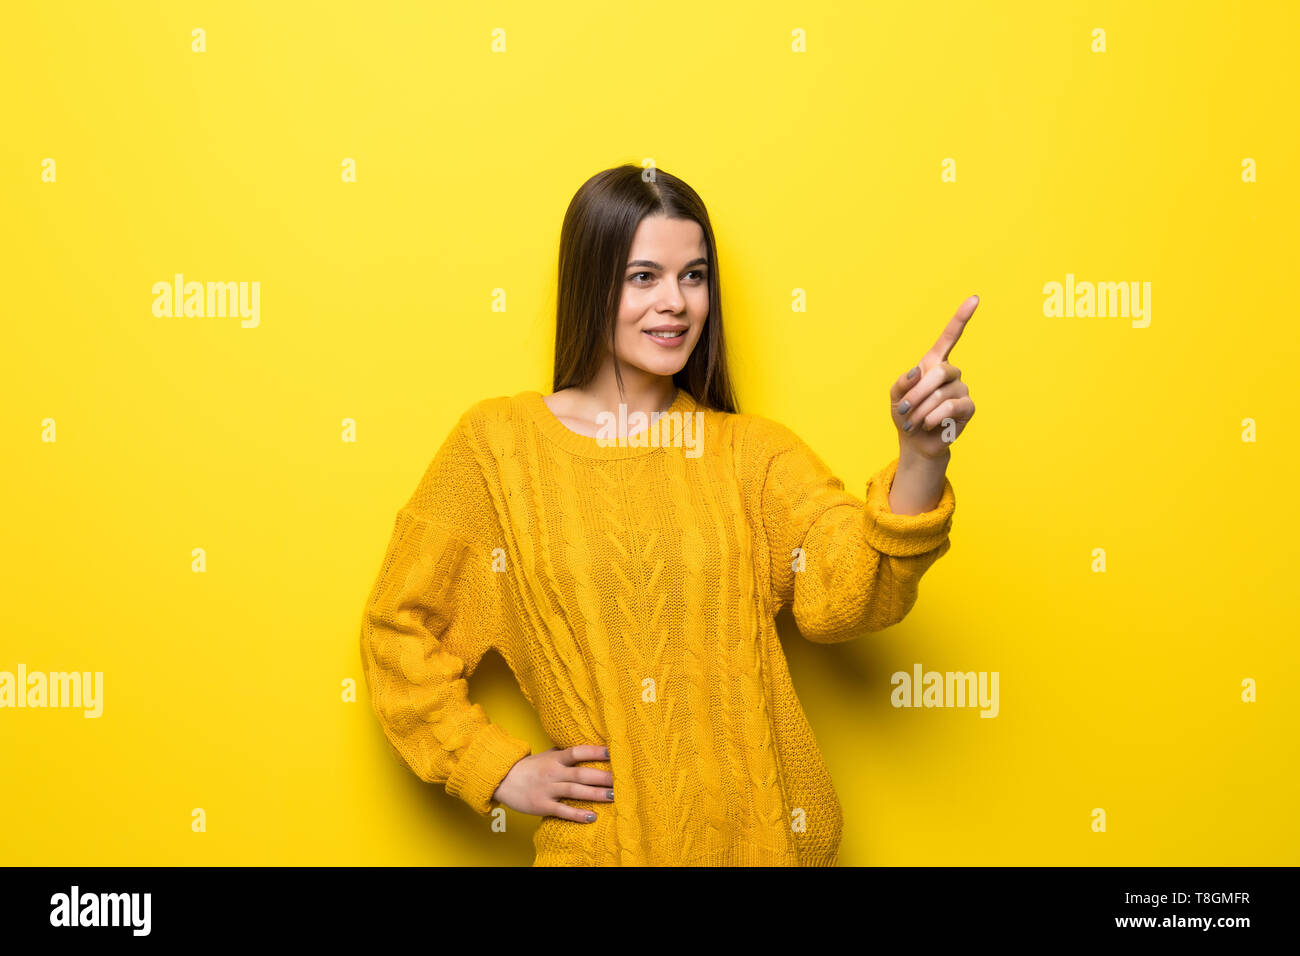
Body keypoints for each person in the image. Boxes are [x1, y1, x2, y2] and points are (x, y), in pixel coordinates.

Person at [358, 163, 976, 866]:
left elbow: (844, 596)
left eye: (694, 276)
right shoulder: (499, 451)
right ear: (591, 285)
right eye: (643, 276)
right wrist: (494, 769)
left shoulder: (750, 453)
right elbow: (396, 628)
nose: (676, 303)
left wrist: (923, 454)